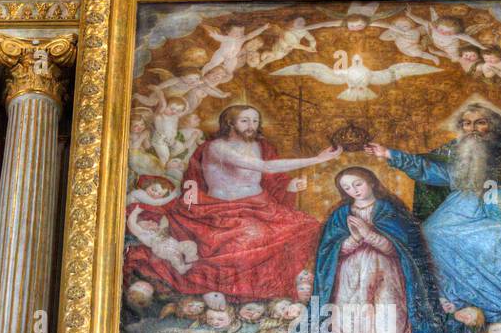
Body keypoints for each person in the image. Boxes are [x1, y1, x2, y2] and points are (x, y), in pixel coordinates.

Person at [365, 104, 501, 324]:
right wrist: (389, 154)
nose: (472, 129)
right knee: (432, 232)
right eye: (467, 123)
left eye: (480, 122)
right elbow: (429, 171)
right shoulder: (457, 154)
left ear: (493, 126)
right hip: (461, 207)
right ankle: (458, 297)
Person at [125, 105, 341, 300]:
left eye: (255, 120)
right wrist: (317, 159)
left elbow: (272, 178)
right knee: (249, 240)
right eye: (245, 120)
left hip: (260, 205)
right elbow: (265, 167)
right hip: (222, 209)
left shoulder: (261, 146)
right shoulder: (217, 147)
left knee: (308, 226)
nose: (252, 125)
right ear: (230, 123)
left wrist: (289, 186)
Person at [293, 166, 483, 333]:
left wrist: (369, 235)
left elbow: (400, 250)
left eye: (358, 184)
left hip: (386, 275)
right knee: (349, 330)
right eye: (347, 187)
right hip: (349, 279)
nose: (354, 190)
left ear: (372, 182)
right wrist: (355, 239)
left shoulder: (389, 210)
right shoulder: (341, 214)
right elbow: (330, 251)